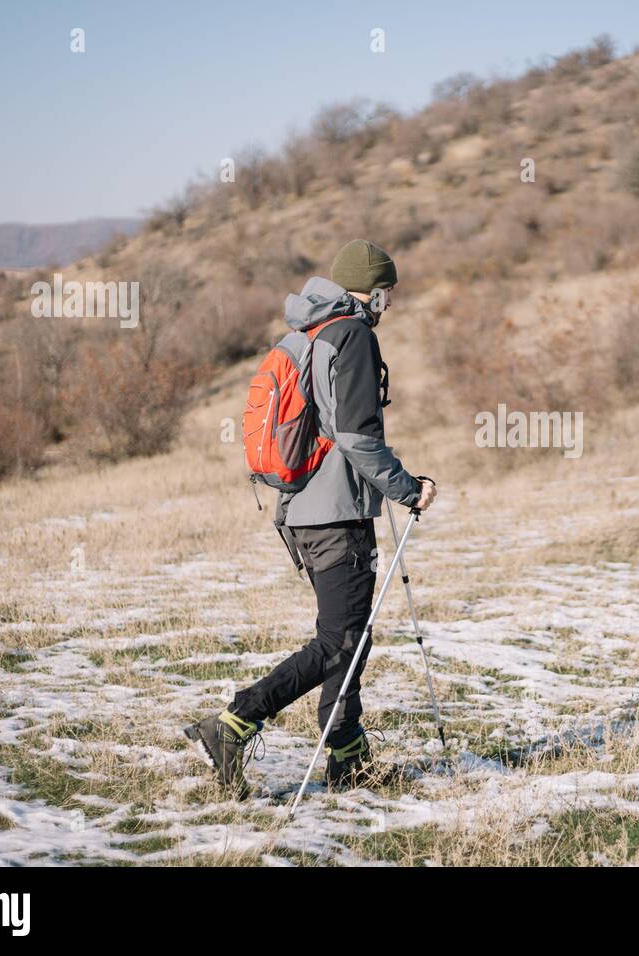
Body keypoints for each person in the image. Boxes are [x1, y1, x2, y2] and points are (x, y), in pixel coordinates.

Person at [186, 239, 437, 798]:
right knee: (338, 642)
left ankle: (349, 761)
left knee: (349, 639)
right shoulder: (352, 335)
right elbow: (354, 435)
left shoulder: (308, 334)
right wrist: (405, 488)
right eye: (388, 293)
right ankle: (232, 725)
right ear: (370, 291)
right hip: (334, 514)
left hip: (306, 509)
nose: (390, 303)